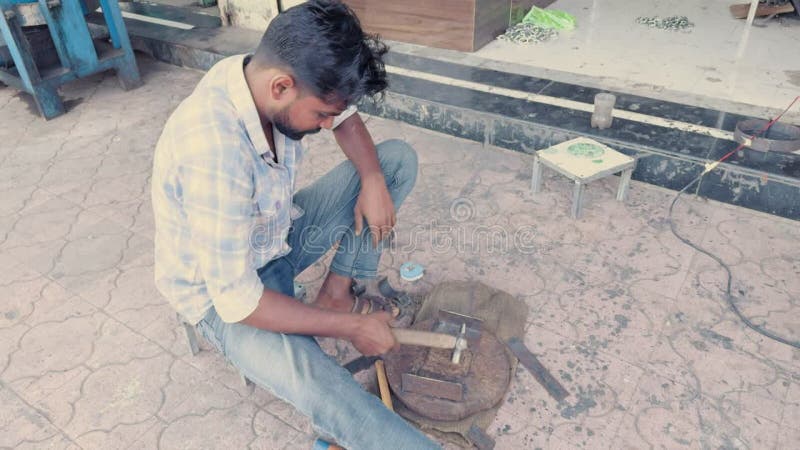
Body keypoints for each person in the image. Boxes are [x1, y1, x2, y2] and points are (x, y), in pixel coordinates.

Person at [151, 1, 439, 448]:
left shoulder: (262, 74)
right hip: (223, 298)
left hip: (274, 239)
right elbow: (238, 300)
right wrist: (350, 329)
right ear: (282, 87)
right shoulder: (212, 148)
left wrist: (371, 178)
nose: (328, 126)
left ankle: (337, 293)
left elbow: (345, 119)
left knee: (395, 160)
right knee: (333, 395)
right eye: (321, 115)